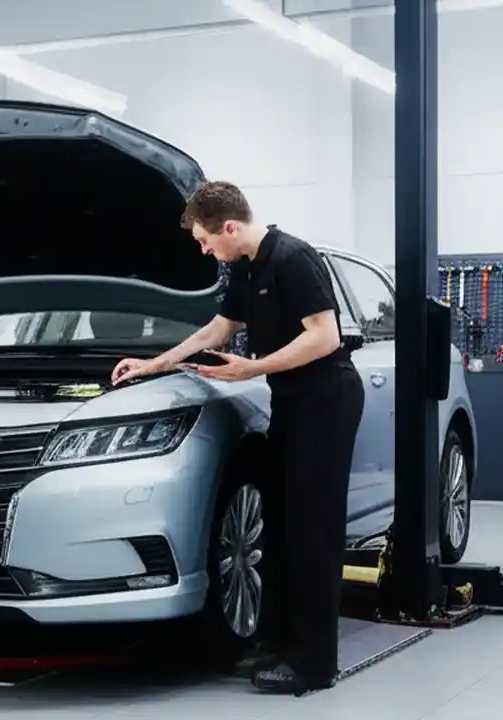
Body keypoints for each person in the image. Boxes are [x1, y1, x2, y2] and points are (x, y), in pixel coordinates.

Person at [111, 181, 364, 695]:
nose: (204, 251)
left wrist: (254, 369)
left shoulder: (295, 259)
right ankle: (274, 644)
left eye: (206, 240)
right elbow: (216, 331)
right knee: (281, 525)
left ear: (229, 227)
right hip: (292, 401)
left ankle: (315, 665)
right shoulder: (245, 268)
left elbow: (325, 336)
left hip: (327, 401)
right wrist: (152, 365)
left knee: (313, 533)